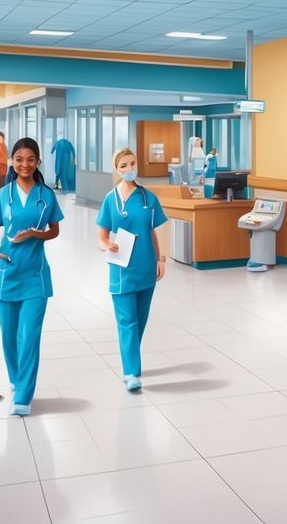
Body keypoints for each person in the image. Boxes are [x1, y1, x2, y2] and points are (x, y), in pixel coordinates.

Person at [0, 138, 63, 416]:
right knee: (9, 336)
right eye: (19, 159)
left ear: (38, 162)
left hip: (35, 277)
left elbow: (54, 230)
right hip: (6, 275)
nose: (25, 164)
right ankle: (17, 379)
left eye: (30, 159)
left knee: (29, 336)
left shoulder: (46, 195)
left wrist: (34, 234)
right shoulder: (2, 195)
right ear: (12, 161)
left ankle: (24, 396)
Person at [97, 148, 169, 392]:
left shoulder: (148, 198)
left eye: (132, 163)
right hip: (121, 269)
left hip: (146, 266)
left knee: (139, 321)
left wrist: (160, 260)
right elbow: (101, 237)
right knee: (127, 321)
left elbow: (152, 230)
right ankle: (131, 372)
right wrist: (108, 244)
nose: (129, 169)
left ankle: (131, 360)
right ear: (116, 169)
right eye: (124, 165)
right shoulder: (110, 199)